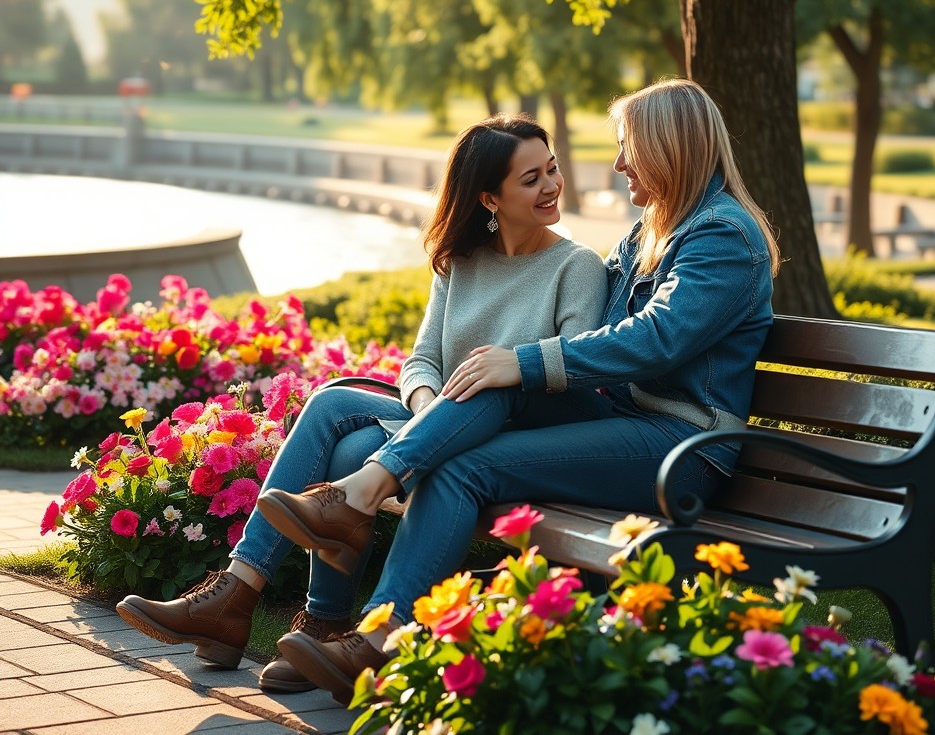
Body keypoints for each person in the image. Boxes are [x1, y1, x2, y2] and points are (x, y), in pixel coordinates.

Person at [271, 78, 780, 703]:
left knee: (471, 453)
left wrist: (526, 363)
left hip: (683, 446)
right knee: (444, 386)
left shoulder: (721, 235)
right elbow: (609, 340)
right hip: (626, 424)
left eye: (627, 147)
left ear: (668, 147)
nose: (618, 163)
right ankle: (342, 562)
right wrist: (515, 367)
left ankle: (382, 631)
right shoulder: (655, 227)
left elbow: (658, 339)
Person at [115, 114, 608, 691]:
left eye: (551, 170)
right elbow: (422, 362)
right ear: (488, 197)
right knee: (332, 408)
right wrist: (429, 413)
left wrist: (453, 413)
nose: (551, 186)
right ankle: (252, 596)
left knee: (356, 445)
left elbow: (567, 374)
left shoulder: (577, 267)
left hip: (520, 436)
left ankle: (301, 620)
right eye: (531, 179)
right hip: (443, 420)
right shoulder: (460, 262)